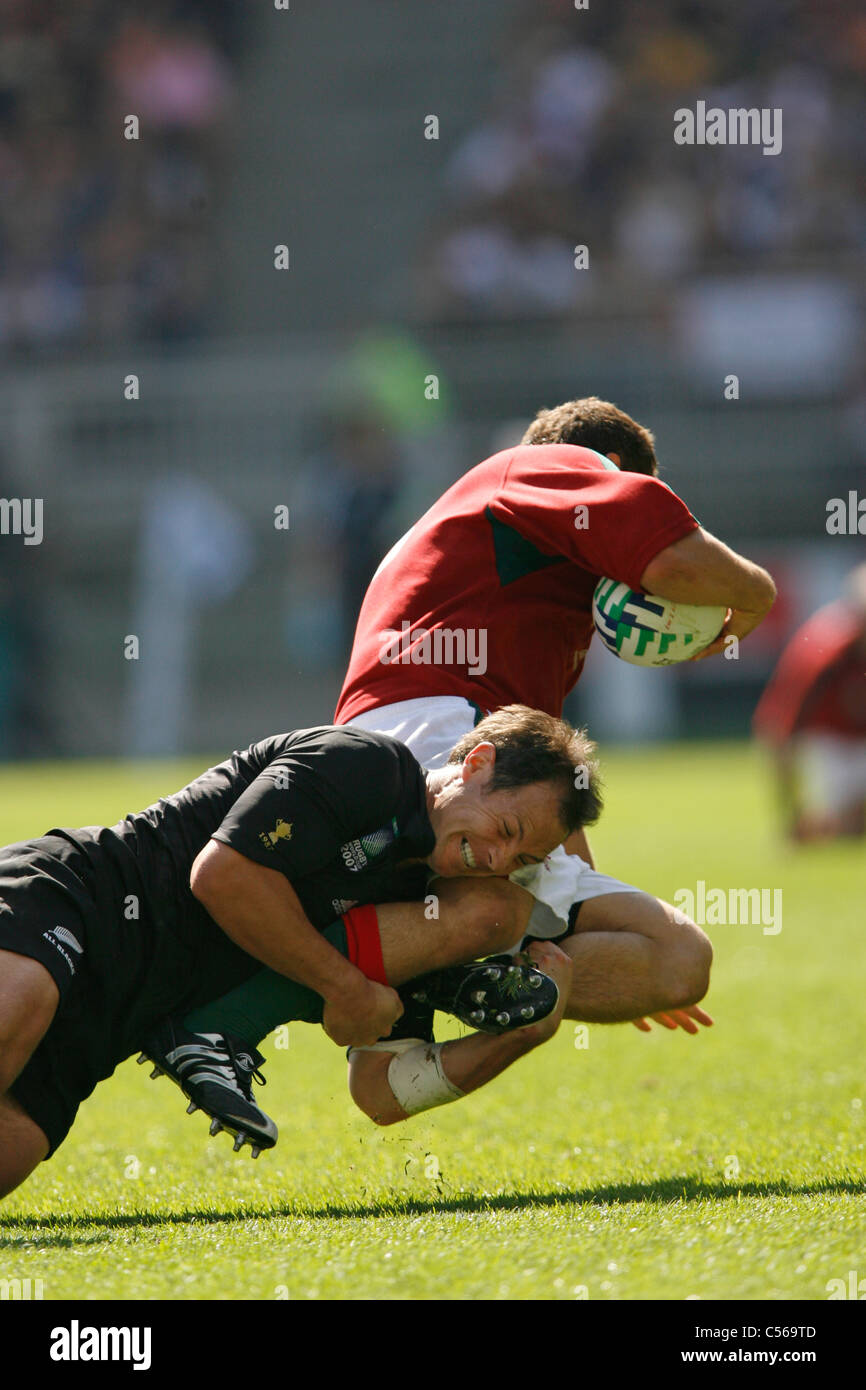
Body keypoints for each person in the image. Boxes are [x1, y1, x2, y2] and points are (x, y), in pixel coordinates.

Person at [329, 397, 775, 1119]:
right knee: (672, 955)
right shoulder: (545, 465)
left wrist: (602, 948)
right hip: (444, 748)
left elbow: (544, 784)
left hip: (429, 760)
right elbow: (676, 561)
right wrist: (756, 599)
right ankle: (460, 959)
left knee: (387, 1086)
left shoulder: (513, 575)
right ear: (611, 474)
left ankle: (440, 967)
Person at [0, 708, 598, 1198]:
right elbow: (223, 875)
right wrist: (344, 987)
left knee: (16, 1147)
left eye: (520, 861)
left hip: (108, 1025)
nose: (497, 860)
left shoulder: (413, 899)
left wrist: (522, 1036)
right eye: (508, 830)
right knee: (20, 1000)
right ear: (477, 764)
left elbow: (385, 1094)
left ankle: (211, 1037)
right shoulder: (367, 764)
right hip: (72, 899)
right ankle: (214, 1037)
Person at [753, 562, 866, 841]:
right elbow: (778, 732)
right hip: (834, 741)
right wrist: (791, 812)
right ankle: (827, 823)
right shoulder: (824, 656)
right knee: (850, 827)